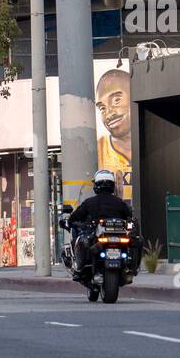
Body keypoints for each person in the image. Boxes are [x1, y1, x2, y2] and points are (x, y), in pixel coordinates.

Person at [69, 170, 133, 281]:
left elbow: (76, 216)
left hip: (98, 239)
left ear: (96, 185)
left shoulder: (90, 202)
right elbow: (129, 216)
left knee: (82, 241)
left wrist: (69, 221)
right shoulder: (120, 202)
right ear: (112, 185)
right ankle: (127, 267)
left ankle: (79, 269)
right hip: (118, 238)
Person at [96, 68, 133, 197]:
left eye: (116, 100)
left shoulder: (156, 142)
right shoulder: (98, 150)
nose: (109, 113)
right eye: (102, 108)